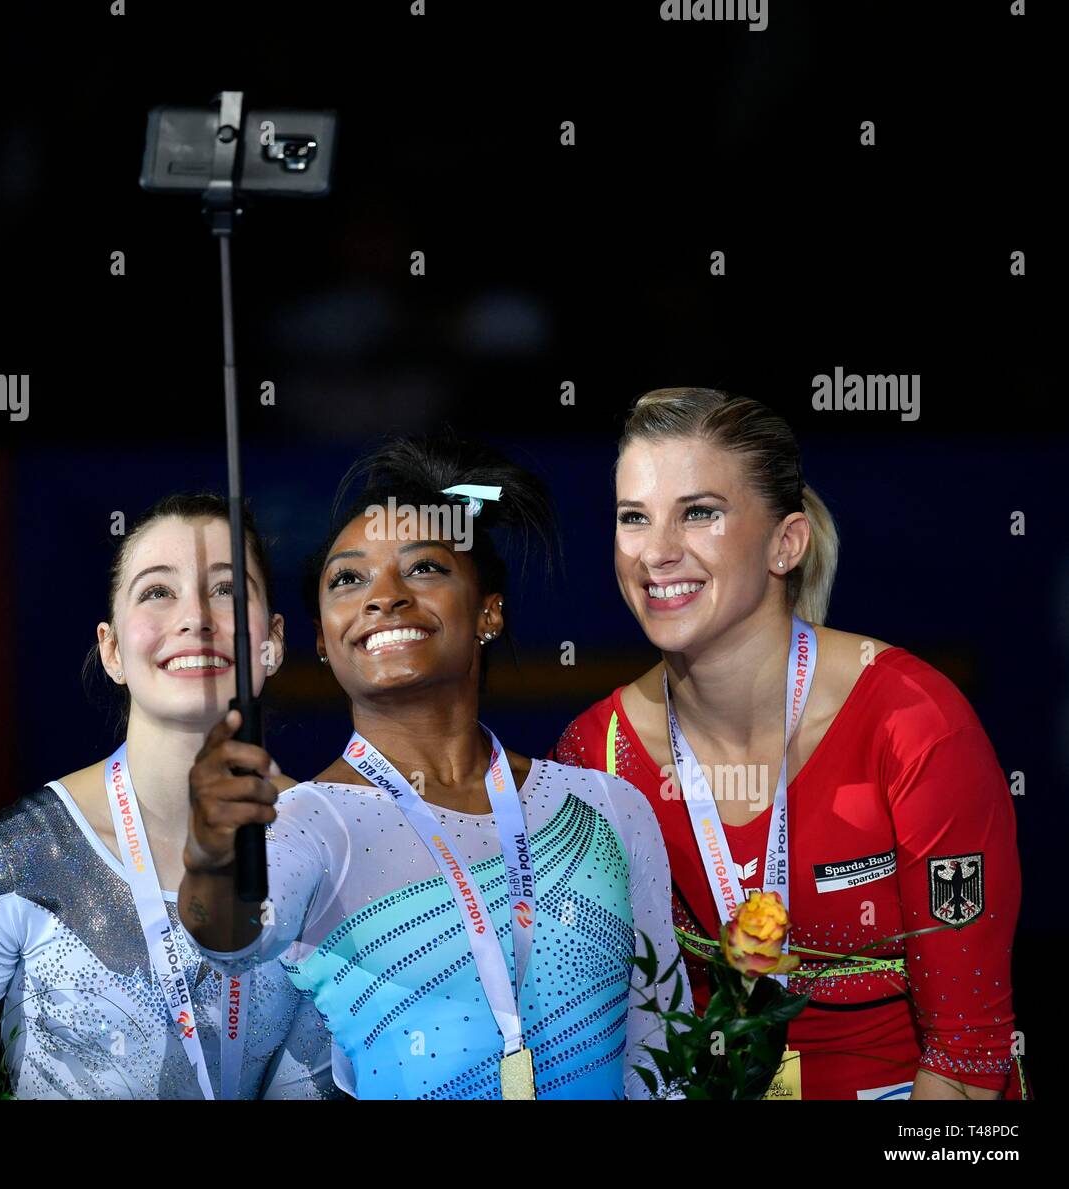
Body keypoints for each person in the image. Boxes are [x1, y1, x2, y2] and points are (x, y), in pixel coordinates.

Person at [176, 434, 691, 1099]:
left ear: (488, 611)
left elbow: (666, 1050)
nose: (382, 596)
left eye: (422, 568)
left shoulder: (608, 807)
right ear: (326, 645)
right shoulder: (310, 821)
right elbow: (231, 936)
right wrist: (210, 854)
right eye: (348, 578)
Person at [551, 387, 1025, 1100]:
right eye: (633, 518)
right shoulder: (598, 753)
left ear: (786, 543)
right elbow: (590, 1043)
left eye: (699, 513)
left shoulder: (915, 722)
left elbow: (966, 1061)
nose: (656, 552)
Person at [0, 491, 339, 1099]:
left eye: (227, 590)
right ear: (113, 649)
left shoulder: (336, 848)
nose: (195, 618)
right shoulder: (20, 853)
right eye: (157, 591)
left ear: (272, 642)